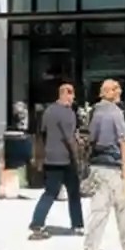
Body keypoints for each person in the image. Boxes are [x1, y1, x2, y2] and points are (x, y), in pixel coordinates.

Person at [81, 79, 125, 250]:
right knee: (124, 210)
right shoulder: (115, 113)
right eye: (117, 89)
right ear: (111, 92)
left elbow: (90, 136)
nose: (120, 91)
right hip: (116, 167)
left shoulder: (95, 112)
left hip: (97, 167)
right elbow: (123, 136)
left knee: (99, 211)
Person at [28, 84, 85, 240]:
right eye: (71, 95)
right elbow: (69, 138)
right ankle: (78, 224)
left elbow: (42, 133)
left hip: (50, 158)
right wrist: (77, 158)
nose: (73, 98)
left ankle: (37, 222)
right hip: (65, 160)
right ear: (66, 94)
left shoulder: (48, 111)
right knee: (73, 193)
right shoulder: (68, 113)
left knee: (50, 192)